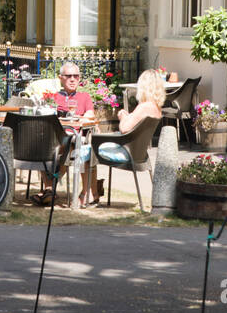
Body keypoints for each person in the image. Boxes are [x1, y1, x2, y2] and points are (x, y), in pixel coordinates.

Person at [91, 68, 166, 208]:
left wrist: (123, 116)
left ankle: (89, 194)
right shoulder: (156, 108)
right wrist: (129, 116)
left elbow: (124, 128)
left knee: (91, 149)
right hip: (140, 154)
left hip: (127, 153)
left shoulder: (144, 107)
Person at [44, 61, 96, 207]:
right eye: (69, 76)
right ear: (61, 78)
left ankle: (52, 187)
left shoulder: (84, 96)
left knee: (76, 148)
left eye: (76, 76)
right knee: (43, 147)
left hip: (75, 137)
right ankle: (49, 188)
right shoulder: (54, 97)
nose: (73, 79)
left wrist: (79, 118)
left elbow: (90, 114)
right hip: (55, 137)